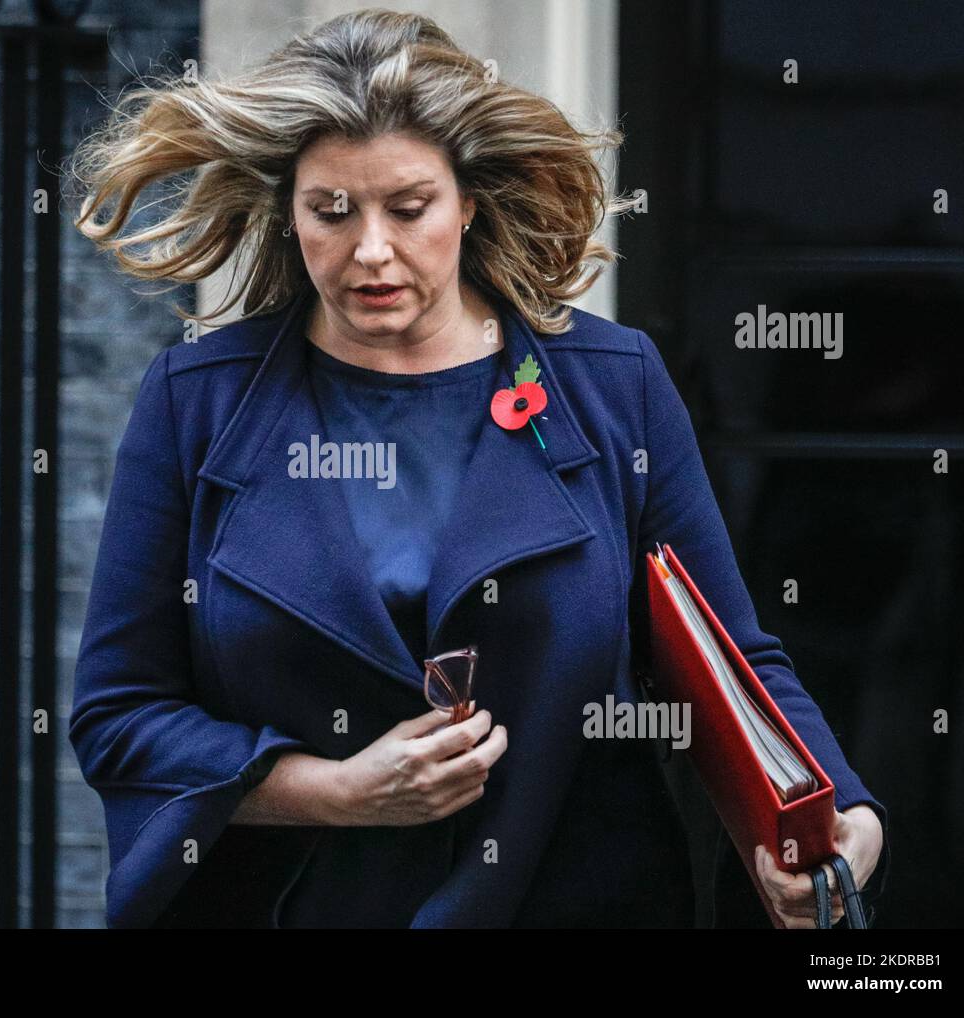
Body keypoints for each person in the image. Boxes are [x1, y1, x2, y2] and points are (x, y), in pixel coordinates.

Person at [65, 8, 887, 929]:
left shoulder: (615, 387)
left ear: (469, 202)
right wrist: (334, 788)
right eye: (330, 211)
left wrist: (845, 812)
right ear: (288, 214)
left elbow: (734, 657)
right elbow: (121, 717)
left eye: (408, 208)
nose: (370, 249)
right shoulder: (195, 402)